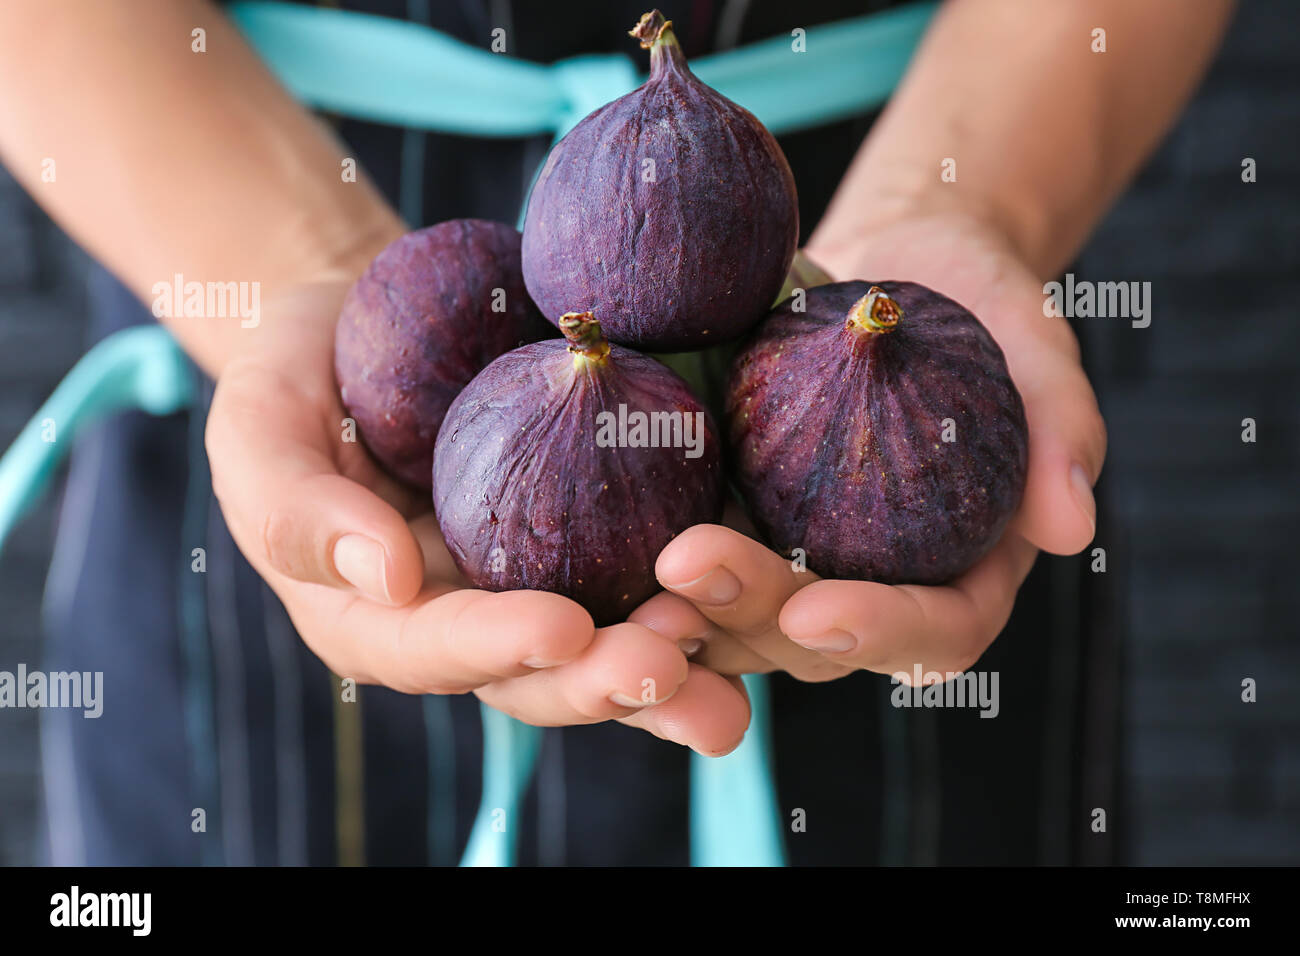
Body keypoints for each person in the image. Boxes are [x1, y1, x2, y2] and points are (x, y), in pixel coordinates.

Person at [0, 0, 1233, 865]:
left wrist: (973, 201)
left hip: (906, 198)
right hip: (268, 413)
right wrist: (284, 277)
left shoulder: (843, 329)